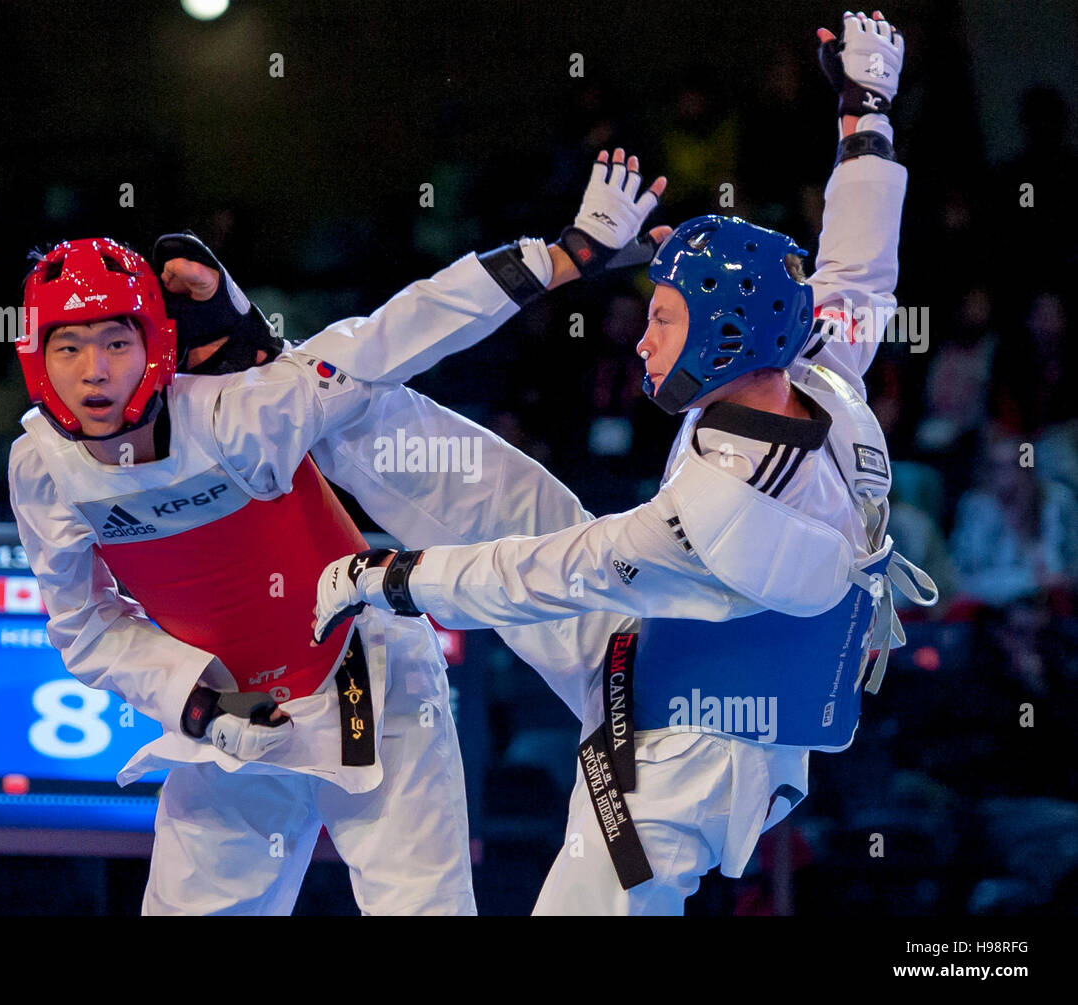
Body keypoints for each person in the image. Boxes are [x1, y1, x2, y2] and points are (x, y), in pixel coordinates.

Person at [312, 10, 941, 915]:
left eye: (664, 315)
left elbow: (550, 573)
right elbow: (858, 264)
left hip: (695, 749)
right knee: (491, 488)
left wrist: (395, 576)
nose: (641, 336)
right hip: (663, 639)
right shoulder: (816, 365)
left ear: (728, 335)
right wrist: (865, 105)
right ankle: (322, 396)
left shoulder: (724, 507)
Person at [7, 159, 667, 914]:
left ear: (152, 344)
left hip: (370, 684)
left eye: (114, 344)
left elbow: (388, 339)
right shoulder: (41, 470)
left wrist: (561, 258)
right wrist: (202, 707)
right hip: (233, 722)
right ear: (36, 357)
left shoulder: (238, 416)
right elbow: (86, 627)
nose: (94, 372)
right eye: (69, 347)